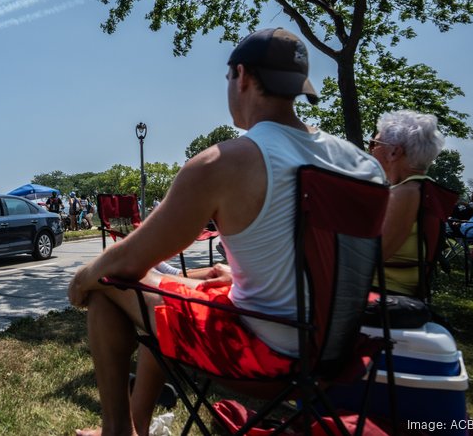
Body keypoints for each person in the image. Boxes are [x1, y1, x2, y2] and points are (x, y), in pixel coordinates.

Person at [68, 28, 385, 436]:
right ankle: (135, 425)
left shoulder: (224, 163)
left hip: (264, 353)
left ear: (243, 76)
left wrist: (81, 278)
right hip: (337, 349)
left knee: (108, 282)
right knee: (173, 289)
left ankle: (120, 431)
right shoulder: (364, 166)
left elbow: (131, 261)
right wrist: (239, 275)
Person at [370, 111, 445, 296]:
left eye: (374, 143)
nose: (370, 149)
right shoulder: (420, 188)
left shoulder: (405, 193)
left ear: (394, 151)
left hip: (381, 296)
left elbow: (372, 256)